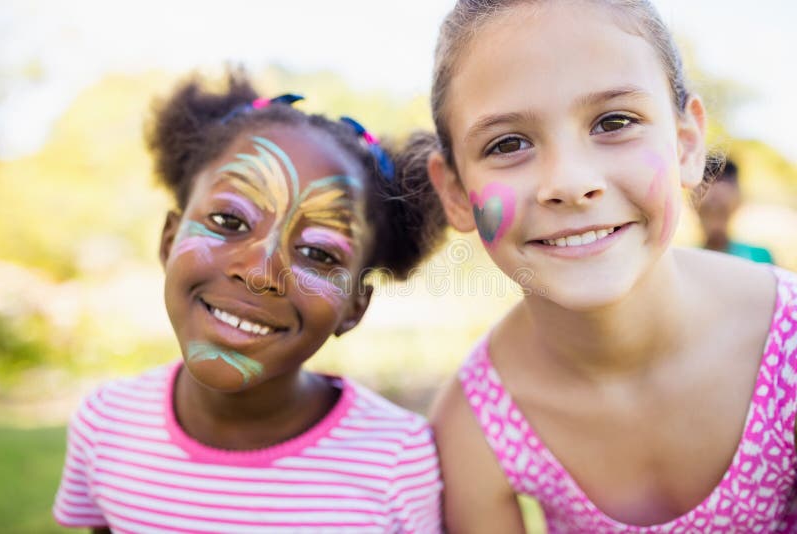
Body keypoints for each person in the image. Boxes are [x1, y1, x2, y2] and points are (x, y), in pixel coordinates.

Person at [412, 1, 797, 532]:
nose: (569, 182)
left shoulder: (788, 345)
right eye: (508, 143)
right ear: (455, 191)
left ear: (686, 143)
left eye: (615, 122)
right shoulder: (473, 426)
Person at [52, 70, 445, 533]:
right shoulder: (106, 426)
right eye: (228, 221)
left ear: (355, 306)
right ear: (169, 240)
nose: (260, 272)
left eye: (318, 253)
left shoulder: (395, 461)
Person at [697, 158, 774, 263]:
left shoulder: (760, 258)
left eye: (721, 212)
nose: (716, 195)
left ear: (738, 201)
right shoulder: (680, 260)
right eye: (709, 211)